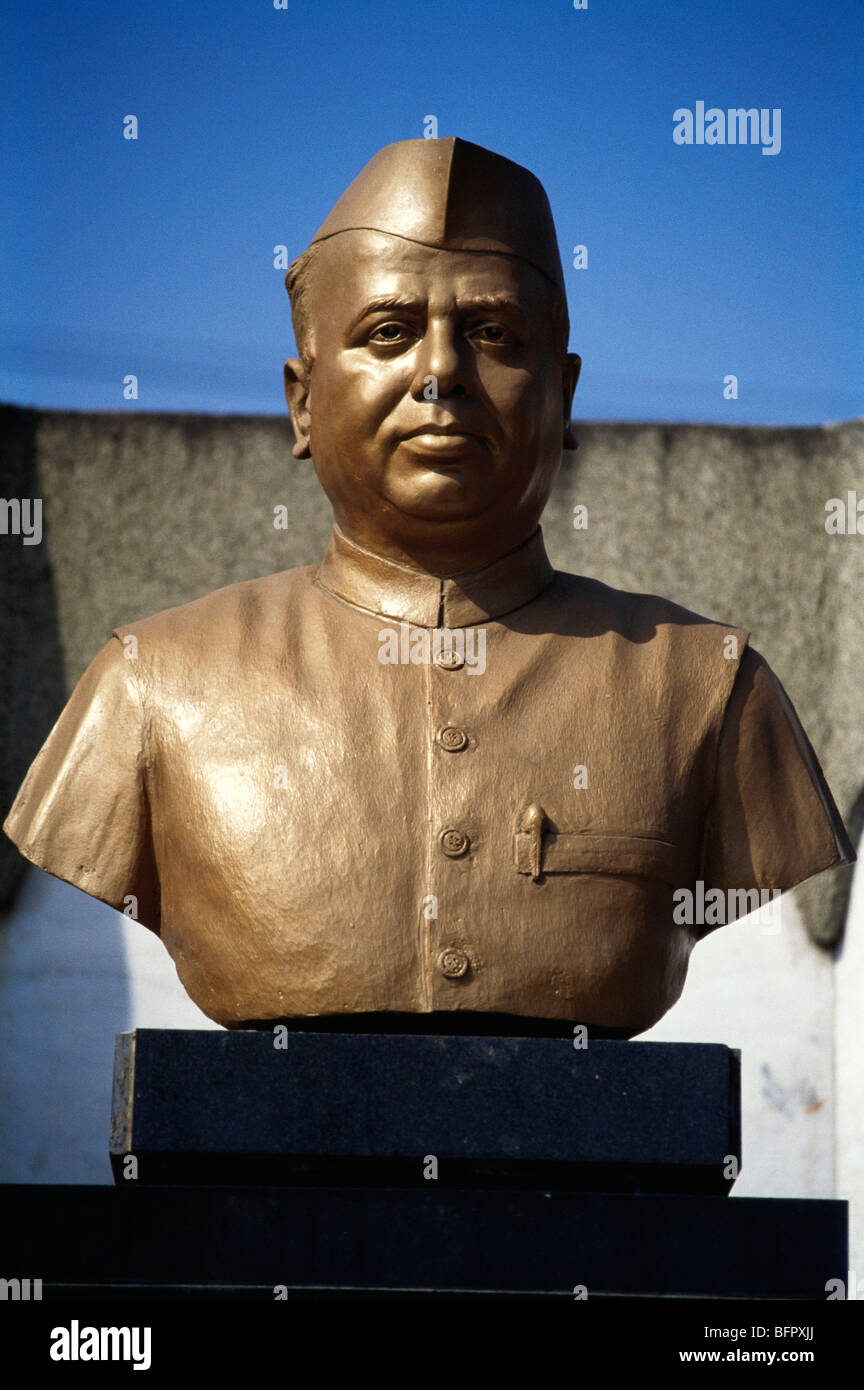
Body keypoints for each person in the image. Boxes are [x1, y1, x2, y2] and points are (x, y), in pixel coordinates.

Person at [3, 138, 854, 1036]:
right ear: (302, 401)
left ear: (562, 396)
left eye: (494, 334)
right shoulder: (150, 682)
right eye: (388, 332)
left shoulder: (712, 689)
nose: (441, 373)